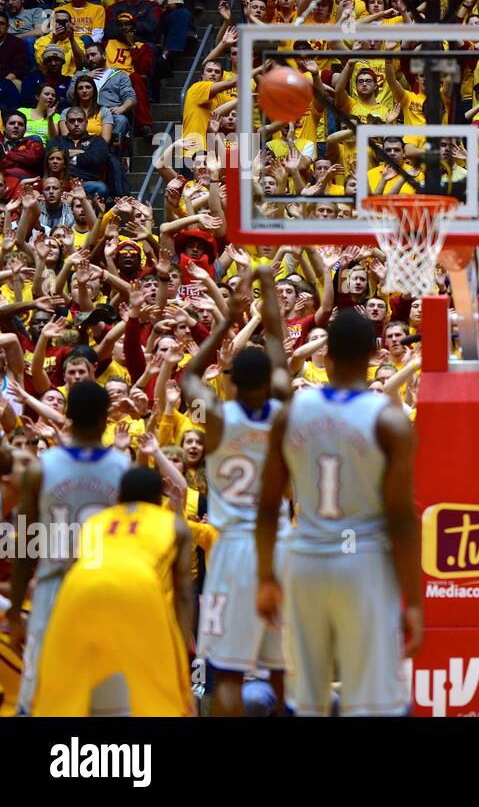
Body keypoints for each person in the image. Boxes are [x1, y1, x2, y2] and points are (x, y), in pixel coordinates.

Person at [256, 310, 423, 716]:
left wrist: (265, 577)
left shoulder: (290, 412)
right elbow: (403, 519)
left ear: (325, 353)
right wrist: (414, 601)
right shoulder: (389, 421)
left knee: (305, 699)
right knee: (372, 700)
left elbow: (266, 504)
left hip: (306, 559)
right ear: (374, 353)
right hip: (362, 561)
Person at [185, 268, 291, 716]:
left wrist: (227, 320)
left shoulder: (216, 416)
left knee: (227, 671)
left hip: (230, 550)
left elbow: (190, 374)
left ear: (228, 384)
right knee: (284, 668)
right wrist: (267, 286)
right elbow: (279, 345)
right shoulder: (283, 410)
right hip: (280, 546)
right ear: (269, 382)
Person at [4, 380, 131, 714]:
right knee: (108, 709)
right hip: (106, 592)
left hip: (54, 593)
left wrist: (16, 611)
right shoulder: (124, 470)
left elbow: (25, 546)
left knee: (44, 703)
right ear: (106, 419)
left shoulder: (40, 469)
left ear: (68, 417)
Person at [30, 466, 193, 716]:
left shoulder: (94, 521)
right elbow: (183, 594)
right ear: (158, 498)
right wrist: (179, 654)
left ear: (119, 496)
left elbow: (70, 569)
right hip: (138, 586)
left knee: (70, 688)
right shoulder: (173, 524)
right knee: (155, 694)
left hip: (78, 587)